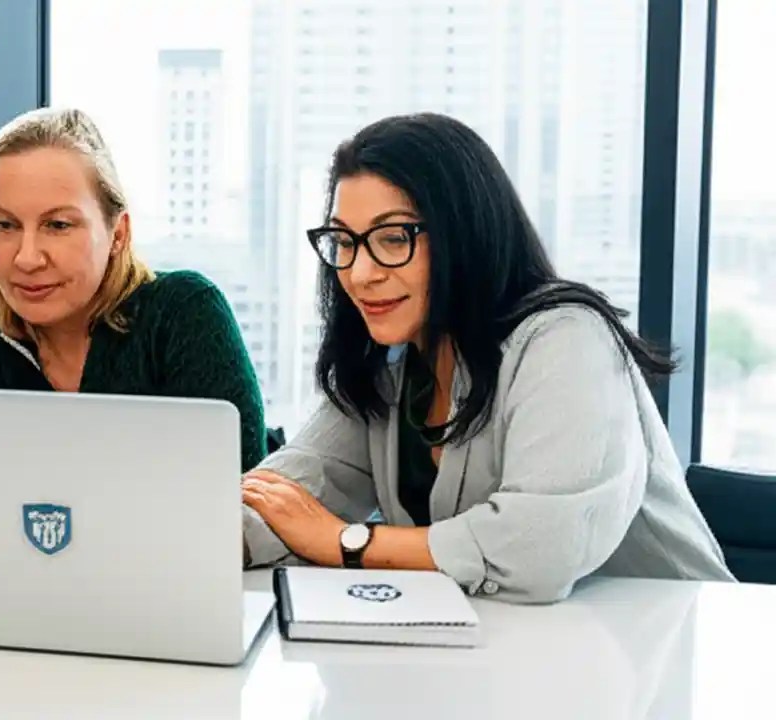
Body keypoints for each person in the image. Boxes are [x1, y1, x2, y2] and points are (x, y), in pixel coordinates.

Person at [241, 113, 733, 604]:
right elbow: (283, 497)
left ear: (464, 234)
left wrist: (346, 543)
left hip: (675, 640)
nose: (360, 272)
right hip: (512, 645)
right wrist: (216, 533)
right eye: (345, 242)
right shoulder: (391, 367)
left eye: (393, 238)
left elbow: (542, 548)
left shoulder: (566, 338)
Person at [0, 107, 266, 471]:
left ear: (118, 234)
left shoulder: (182, 312)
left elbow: (237, 491)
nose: (27, 258)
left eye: (58, 225)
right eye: (5, 224)